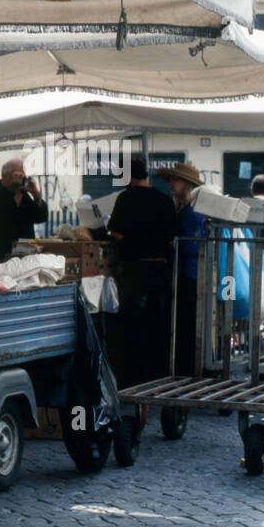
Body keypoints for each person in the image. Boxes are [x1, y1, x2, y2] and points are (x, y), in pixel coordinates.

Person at [107, 156, 177, 385]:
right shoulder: (166, 200)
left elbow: (116, 234)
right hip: (161, 270)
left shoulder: (125, 199)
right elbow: (170, 240)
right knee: (159, 327)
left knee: (134, 329)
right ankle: (159, 377)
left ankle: (135, 380)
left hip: (135, 271)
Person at [156, 162, 206, 377]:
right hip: (184, 274)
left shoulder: (192, 212)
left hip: (188, 275)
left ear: (186, 184)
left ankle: (186, 373)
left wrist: (172, 243)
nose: (169, 184)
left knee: (186, 326)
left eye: (173, 180)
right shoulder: (182, 209)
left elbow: (192, 244)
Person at [0, 158, 48, 263]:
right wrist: (15, 197)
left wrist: (36, 196)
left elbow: (41, 217)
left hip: (25, 255)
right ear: (5, 175)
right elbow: (2, 222)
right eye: (18, 173)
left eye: (23, 173)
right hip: (1, 255)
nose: (22, 176)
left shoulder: (24, 196)